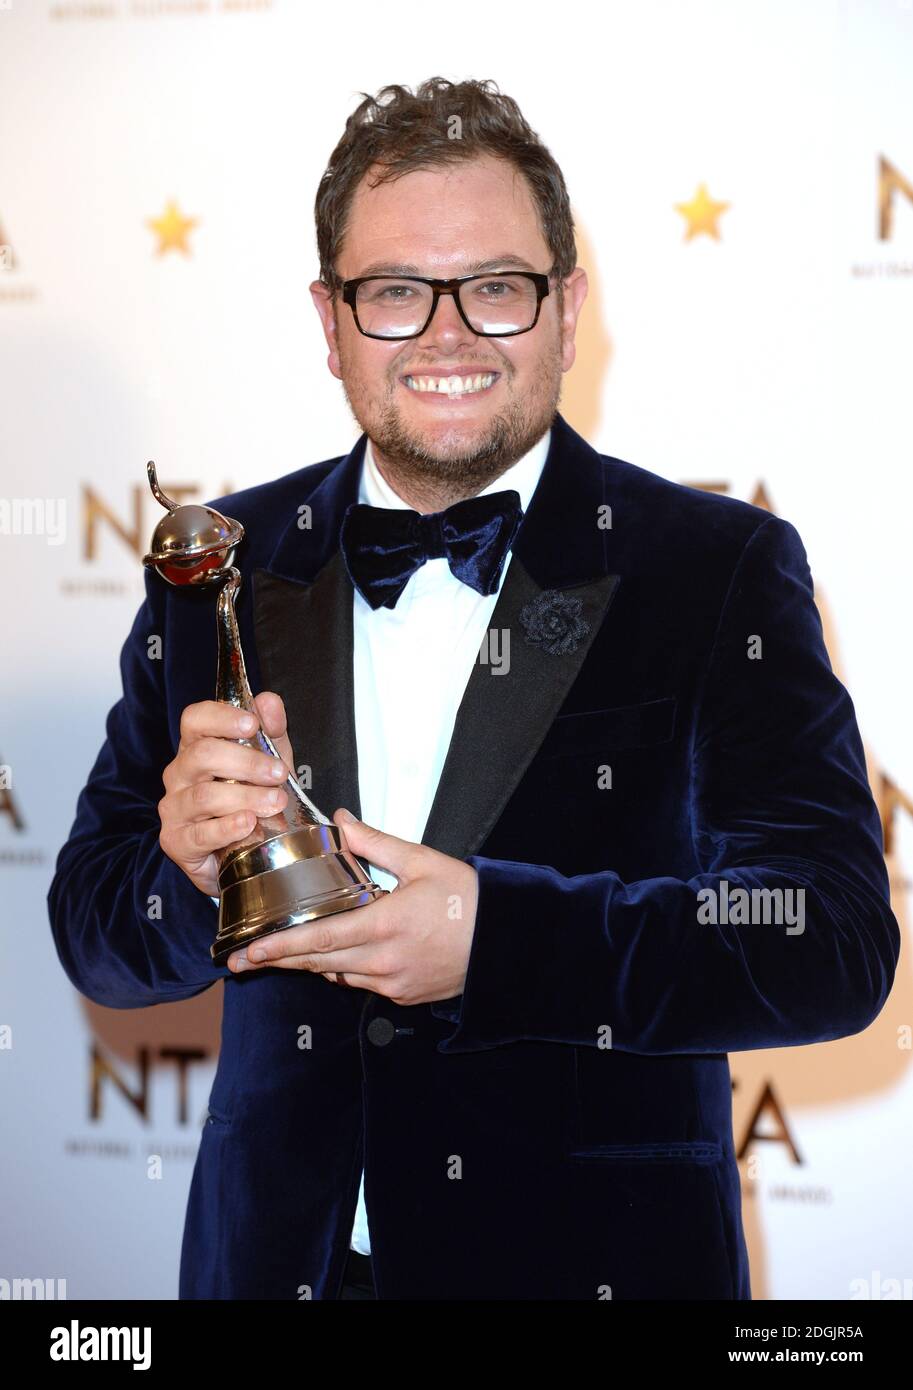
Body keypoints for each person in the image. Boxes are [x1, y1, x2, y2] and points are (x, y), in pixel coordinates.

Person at [48, 77, 899, 1301]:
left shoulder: (714, 570)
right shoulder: (220, 563)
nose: (446, 336)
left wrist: (504, 941)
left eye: (495, 287)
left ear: (568, 309)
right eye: (395, 291)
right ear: (330, 320)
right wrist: (185, 874)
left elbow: (828, 939)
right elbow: (93, 929)